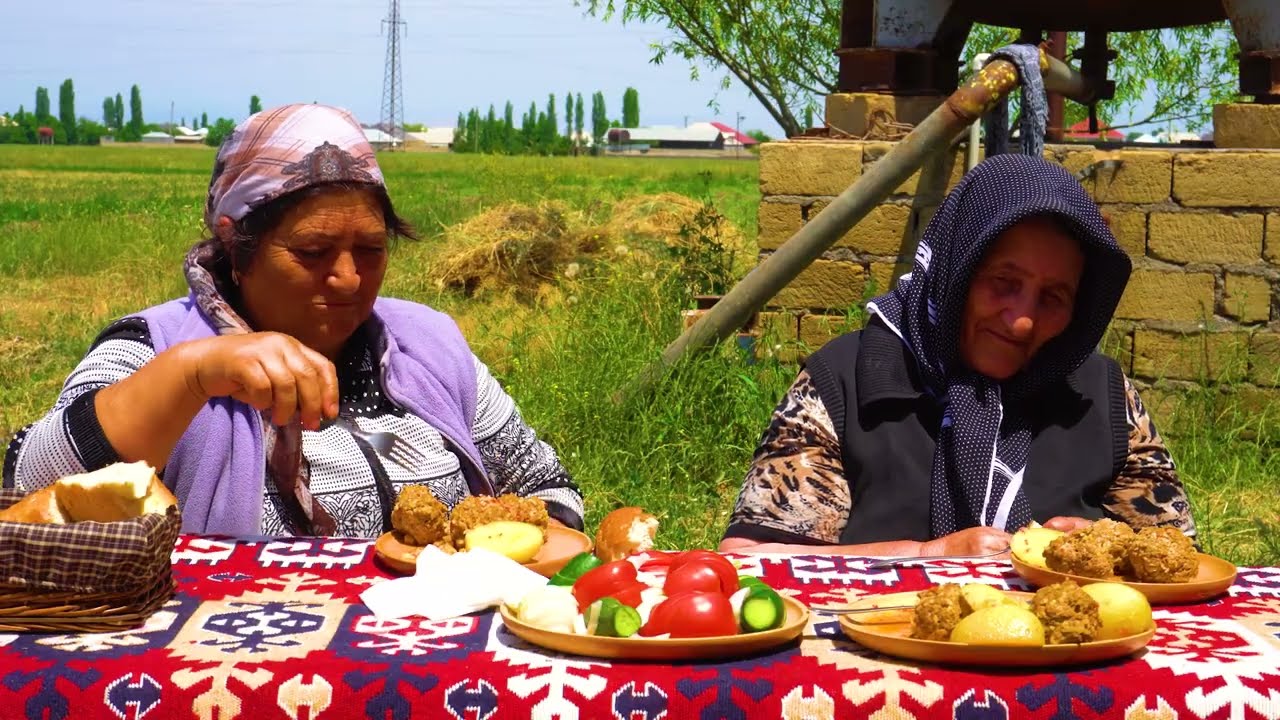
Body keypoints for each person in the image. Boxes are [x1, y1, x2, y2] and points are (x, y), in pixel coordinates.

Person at [3, 104, 585, 538]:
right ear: (237, 245)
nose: (349, 278)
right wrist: (192, 375)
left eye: (371, 249)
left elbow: (545, 486)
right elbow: (27, 487)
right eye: (312, 252)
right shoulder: (156, 347)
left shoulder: (427, 343)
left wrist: (521, 555)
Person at [720, 154, 1196, 557]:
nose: (1022, 321)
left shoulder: (1098, 396)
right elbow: (753, 557)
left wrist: (1109, 547)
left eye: (1053, 298)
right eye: (1003, 283)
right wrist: (926, 555)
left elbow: (1181, 558)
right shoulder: (849, 382)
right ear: (954, 271)